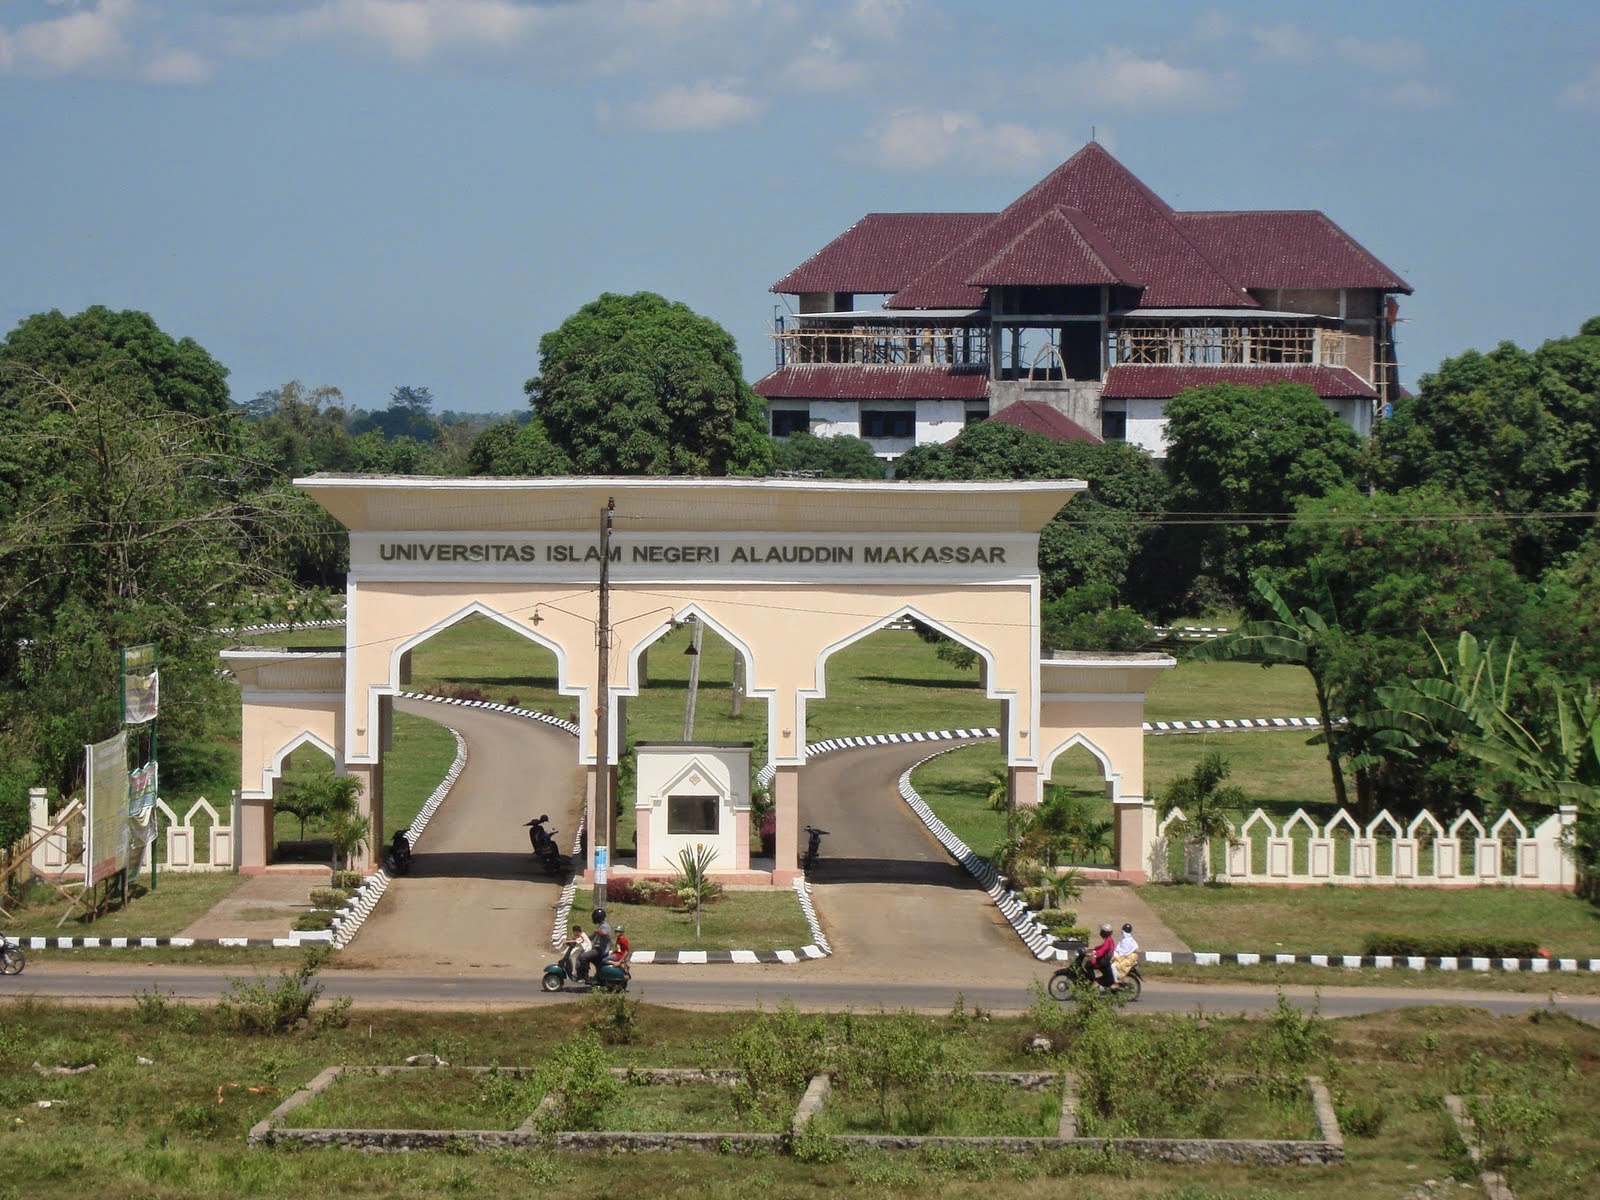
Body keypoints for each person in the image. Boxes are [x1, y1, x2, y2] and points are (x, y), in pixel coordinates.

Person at [577, 906, 612, 982]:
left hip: (600, 950)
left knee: (583, 957)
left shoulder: (605, 926)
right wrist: (579, 939)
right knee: (582, 954)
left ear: (598, 918)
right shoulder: (601, 926)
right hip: (597, 949)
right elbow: (591, 937)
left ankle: (584, 977)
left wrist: (598, 932)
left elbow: (605, 934)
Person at [1112, 922, 1139, 986]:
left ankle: (1115, 982)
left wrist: (1113, 957)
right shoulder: (1129, 940)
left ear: (1122, 931)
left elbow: (1122, 954)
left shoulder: (1126, 941)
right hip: (1124, 958)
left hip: (1125, 961)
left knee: (1112, 966)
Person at [1090, 923, 1116, 989]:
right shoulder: (1108, 939)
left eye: (1102, 931)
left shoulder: (1108, 941)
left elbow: (1103, 950)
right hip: (1104, 959)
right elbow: (1101, 947)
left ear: (1104, 933)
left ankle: (1095, 981)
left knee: (1090, 965)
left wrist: (1094, 954)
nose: (1100, 932)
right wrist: (1093, 949)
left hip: (1104, 961)